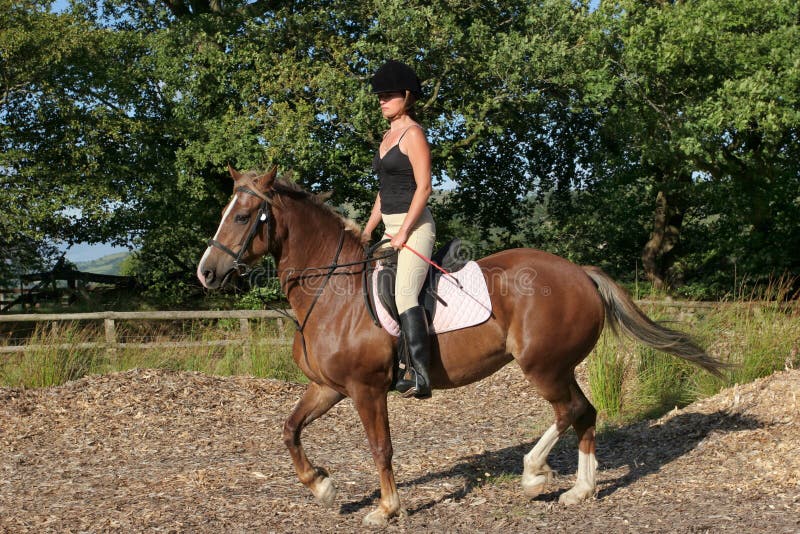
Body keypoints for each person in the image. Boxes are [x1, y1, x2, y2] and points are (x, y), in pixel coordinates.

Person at [361, 60, 436, 399]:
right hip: (391, 227)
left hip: (416, 227)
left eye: (388, 95)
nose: (382, 100)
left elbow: (424, 188)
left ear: (407, 97)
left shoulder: (413, 134)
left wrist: (405, 232)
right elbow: (383, 192)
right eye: (379, 95)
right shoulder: (387, 136)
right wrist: (367, 230)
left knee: (405, 293)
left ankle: (420, 374)